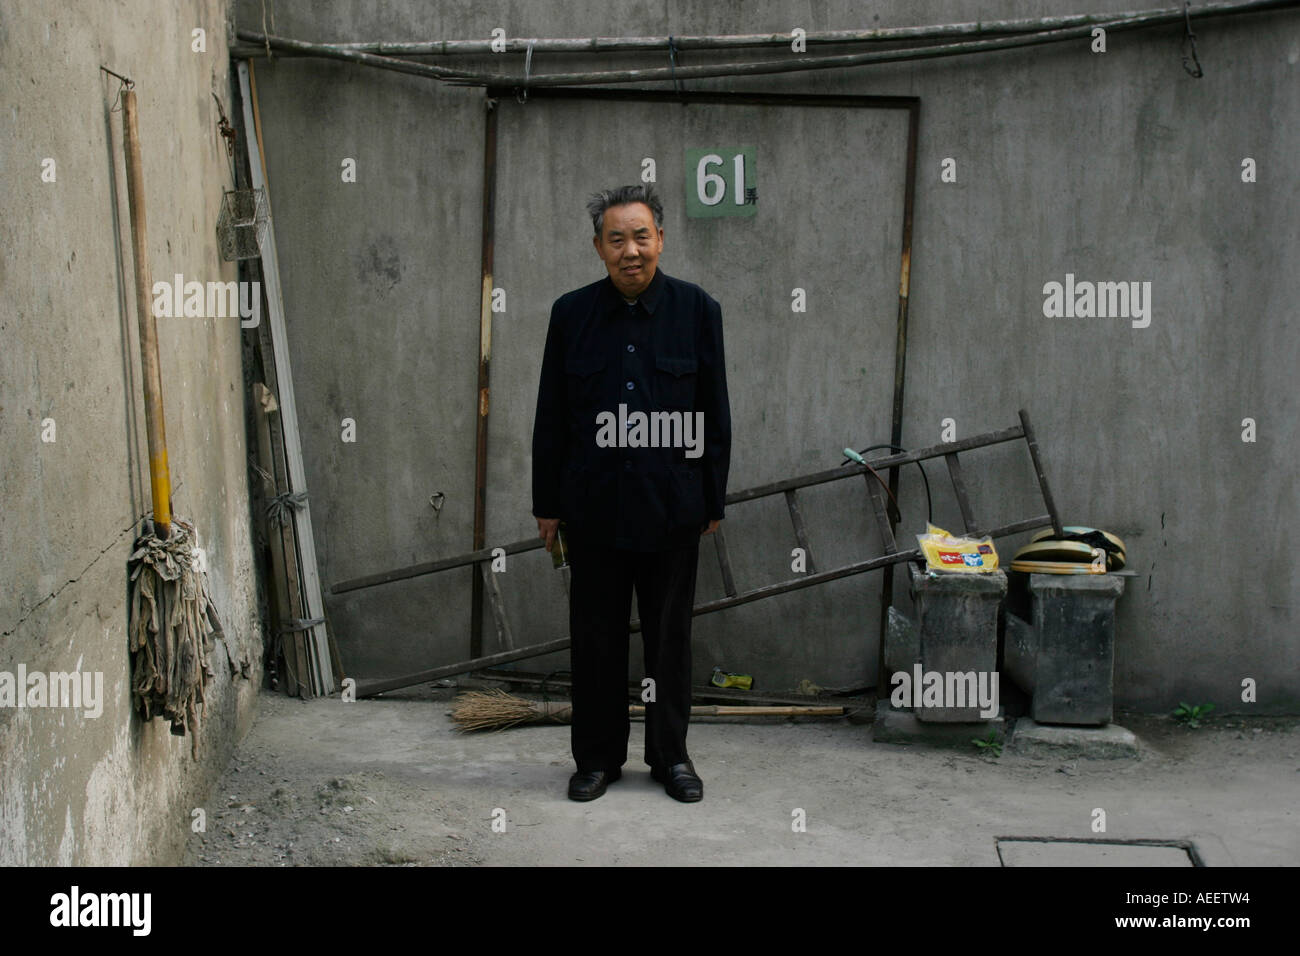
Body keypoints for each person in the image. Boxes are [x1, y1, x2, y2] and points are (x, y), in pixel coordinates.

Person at [531, 184, 731, 803]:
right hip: (592, 511)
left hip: (672, 510)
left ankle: (671, 757)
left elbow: (714, 412)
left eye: (641, 236)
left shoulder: (698, 311)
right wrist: (547, 504)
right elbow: (552, 414)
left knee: (670, 640)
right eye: (616, 239)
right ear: (599, 248)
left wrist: (712, 500)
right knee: (595, 639)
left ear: (661, 240)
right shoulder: (571, 315)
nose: (631, 251)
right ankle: (596, 758)